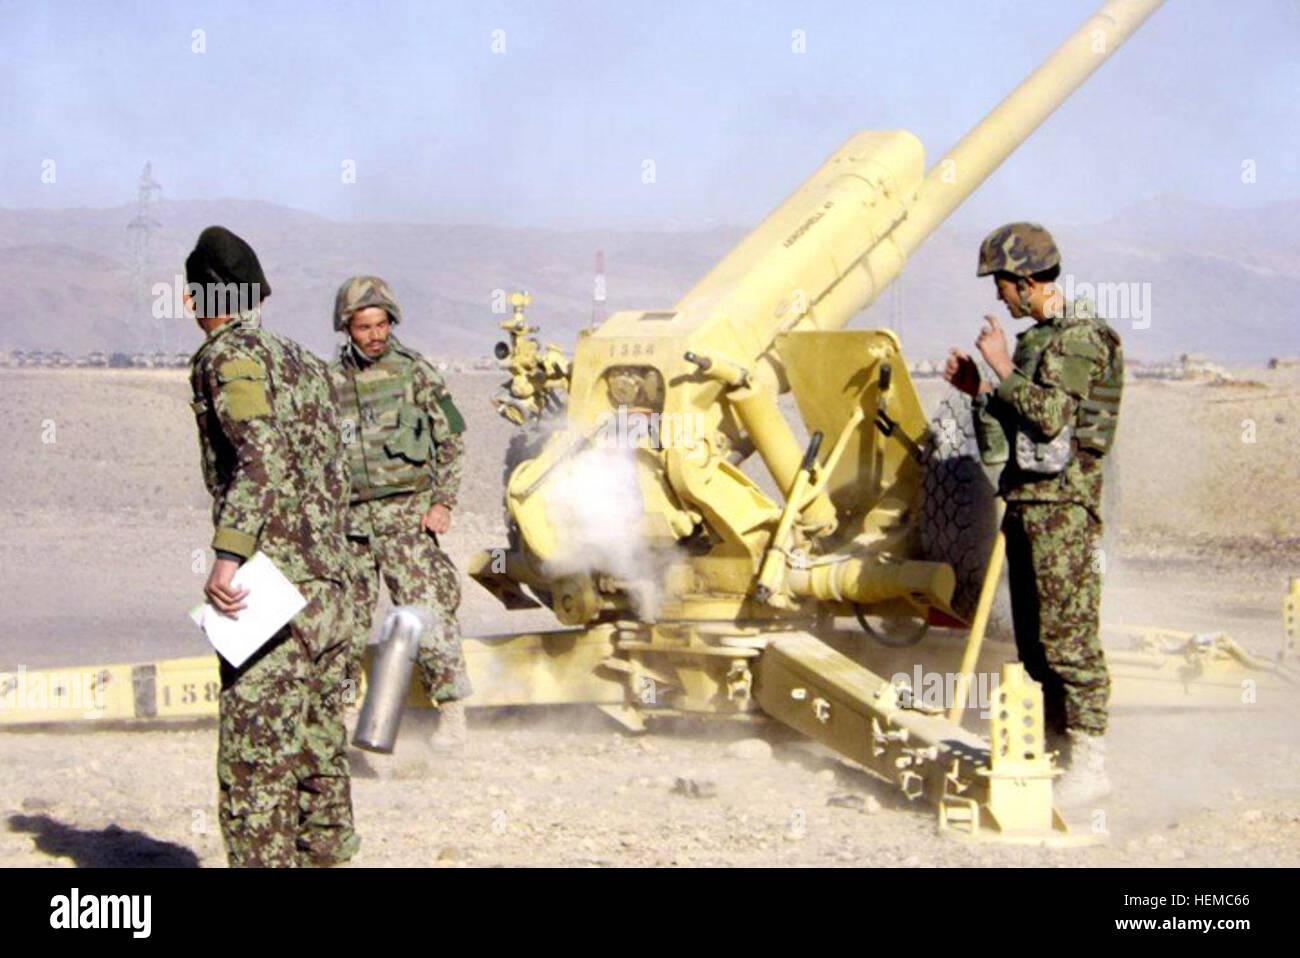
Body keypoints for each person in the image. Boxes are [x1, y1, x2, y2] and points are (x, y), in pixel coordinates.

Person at [185, 226, 359, 866]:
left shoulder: (228, 358)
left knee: (257, 774)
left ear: (196, 299)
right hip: (333, 591)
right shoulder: (308, 363)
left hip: (273, 596)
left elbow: (261, 458)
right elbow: (338, 470)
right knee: (320, 763)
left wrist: (227, 558)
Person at [943, 222, 1123, 808]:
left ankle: (1092, 763)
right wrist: (979, 390)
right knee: (1036, 646)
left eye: (1001, 284)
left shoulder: (1081, 338)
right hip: (1027, 506)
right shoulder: (1035, 343)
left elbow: (1047, 417)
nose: (998, 297)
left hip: (1065, 511)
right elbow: (1004, 445)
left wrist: (999, 367)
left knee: (1069, 641)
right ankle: (1054, 753)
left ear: (1025, 280)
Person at [328, 275, 473, 750]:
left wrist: (442, 502)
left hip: (407, 518)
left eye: (381, 324)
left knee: (426, 614)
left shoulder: (417, 374)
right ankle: (343, 715)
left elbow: (450, 437)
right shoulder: (330, 382)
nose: (375, 334)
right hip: (350, 524)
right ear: (346, 328)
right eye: (364, 326)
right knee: (345, 625)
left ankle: (452, 716)